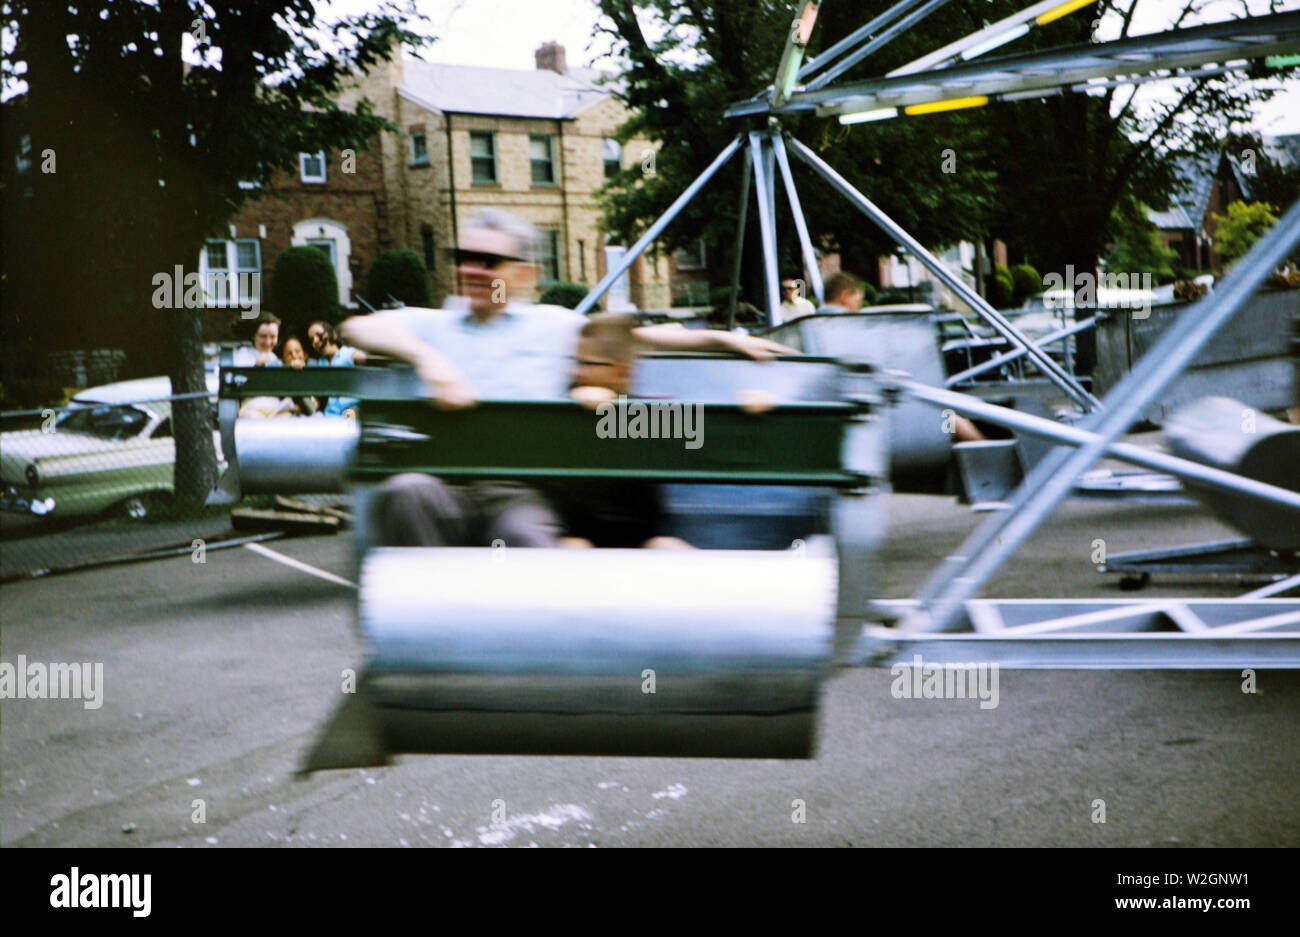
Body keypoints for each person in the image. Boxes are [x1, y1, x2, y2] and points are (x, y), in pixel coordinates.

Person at [339, 208, 793, 548]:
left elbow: (632, 337)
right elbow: (357, 327)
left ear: (522, 274)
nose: (470, 269)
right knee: (405, 492)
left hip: (519, 491)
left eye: (487, 261)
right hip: (443, 483)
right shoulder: (437, 323)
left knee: (528, 541)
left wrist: (724, 341)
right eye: (464, 258)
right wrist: (427, 359)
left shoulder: (551, 324)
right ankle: (427, 639)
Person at [554, 314, 690, 550]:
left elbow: (697, 433)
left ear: (621, 371)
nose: (576, 372)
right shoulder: (566, 410)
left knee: (669, 547)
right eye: (575, 362)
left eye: (586, 363)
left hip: (645, 535)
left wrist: (750, 409)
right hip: (581, 533)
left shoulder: (649, 414)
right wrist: (574, 405)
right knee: (570, 550)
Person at [238, 335, 318, 418]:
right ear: (283, 360)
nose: (294, 355)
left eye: (297, 351)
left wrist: (301, 374)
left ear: (304, 354)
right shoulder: (281, 374)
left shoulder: (313, 369)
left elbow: (314, 405)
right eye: (289, 354)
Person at [306, 320, 367, 418]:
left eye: (318, 335)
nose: (316, 341)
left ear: (333, 334)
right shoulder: (321, 363)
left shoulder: (348, 354)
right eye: (312, 340)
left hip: (351, 409)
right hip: (330, 413)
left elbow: (369, 360)